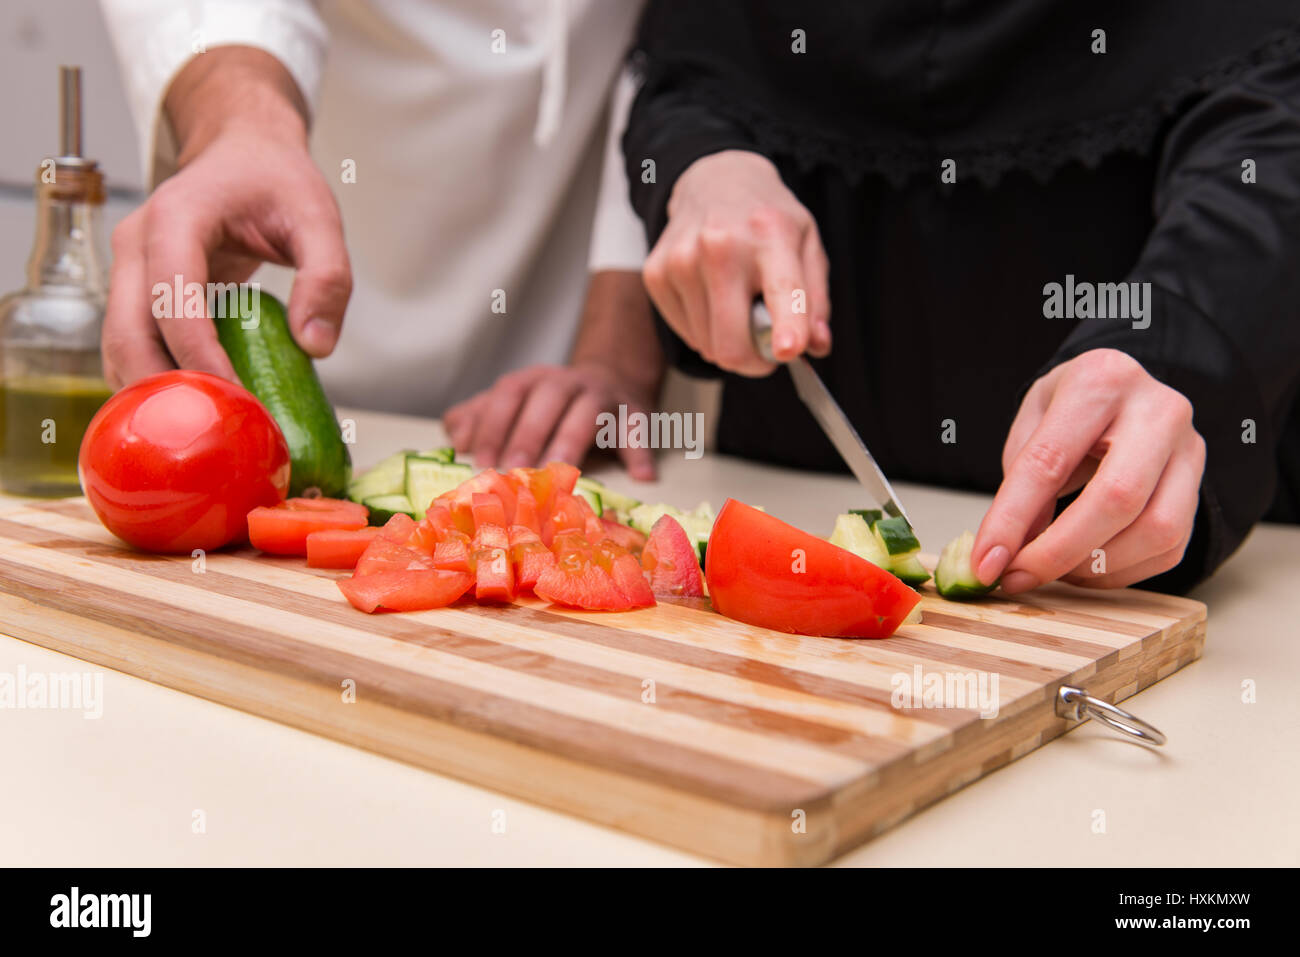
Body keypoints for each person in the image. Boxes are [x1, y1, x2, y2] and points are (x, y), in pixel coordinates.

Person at [623, 0, 1300, 594]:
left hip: (1141, 563)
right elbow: (684, 70)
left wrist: (1174, 347)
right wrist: (703, 163)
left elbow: (1268, 147)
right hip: (784, 493)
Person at [99, 0, 661, 479]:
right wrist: (241, 124)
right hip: (311, 211)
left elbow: (685, 42)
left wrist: (616, 355)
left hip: (564, 304)